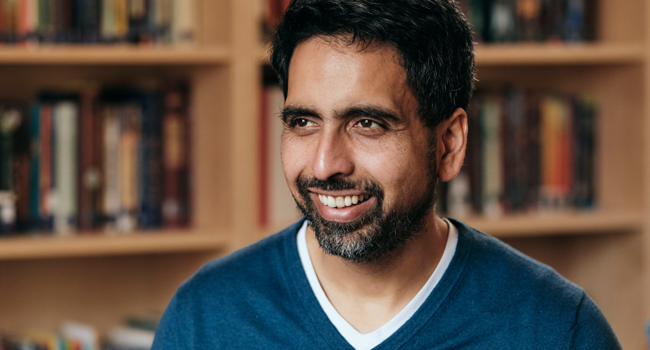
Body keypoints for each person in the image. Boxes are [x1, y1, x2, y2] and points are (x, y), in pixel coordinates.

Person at [152, 0, 621, 348]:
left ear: (449, 144)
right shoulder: (204, 319)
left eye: (367, 123)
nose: (324, 164)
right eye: (303, 123)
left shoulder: (558, 331)